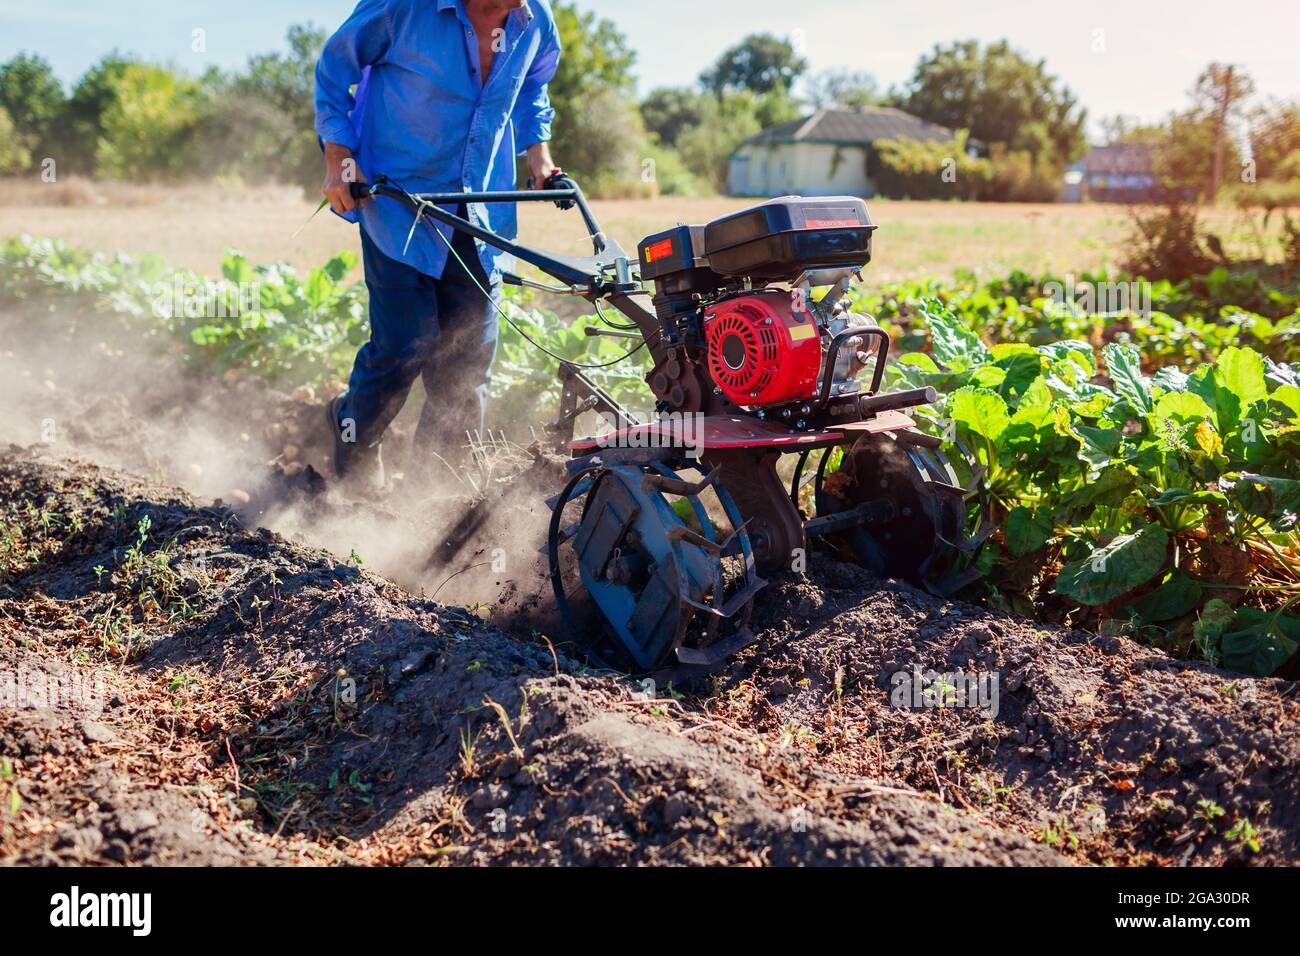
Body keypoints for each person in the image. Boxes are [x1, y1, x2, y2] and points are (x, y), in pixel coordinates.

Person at [315, 0, 562, 486]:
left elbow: (533, 83)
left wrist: (539, 153)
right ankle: (353, 451)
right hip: (397, 203)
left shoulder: (536, 20)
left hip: (480, 209)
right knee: (405, 343)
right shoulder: (403, 9)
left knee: (467, 363)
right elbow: (334, 68)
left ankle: (435, 499)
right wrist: (339, 158)